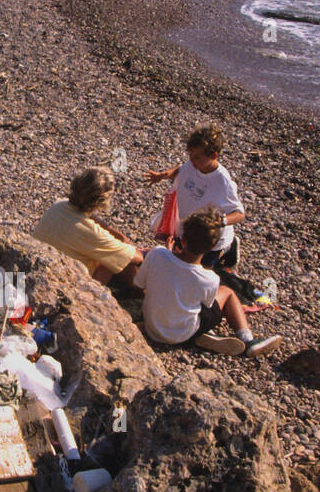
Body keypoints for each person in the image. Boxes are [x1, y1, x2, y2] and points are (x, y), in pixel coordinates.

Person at [133, 208, 281, 357]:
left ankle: (204, 335)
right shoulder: (209, 278)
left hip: (152, 329)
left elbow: (140, 284)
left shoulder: (157, 253)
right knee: (227, 293)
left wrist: (169, 254)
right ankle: (247, 340)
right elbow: (207, 305)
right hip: (184, 334)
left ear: (182, 238)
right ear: (212, 247)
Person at [146, 123, 245, 269]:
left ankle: (229, 248)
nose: (192, 160)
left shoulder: (222, 182)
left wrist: (221, 221)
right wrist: (163, 175)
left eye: (197, 157)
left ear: (213, 155)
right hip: (188, 228)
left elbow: (239, 214)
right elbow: (181, 170)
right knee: (182, 262)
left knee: (202, 270)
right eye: (190, 155)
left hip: (210, 240)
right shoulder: (193, 164)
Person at [34, 167, 144, 288]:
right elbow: (137, 258)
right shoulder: (92, 233)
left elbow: (88, 216)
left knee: (112, 255)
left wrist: (114, 233)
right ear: (102, 200)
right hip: (65, 284)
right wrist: (127, 244)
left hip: (39, 268)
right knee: (112, 261)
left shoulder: (58, 206)